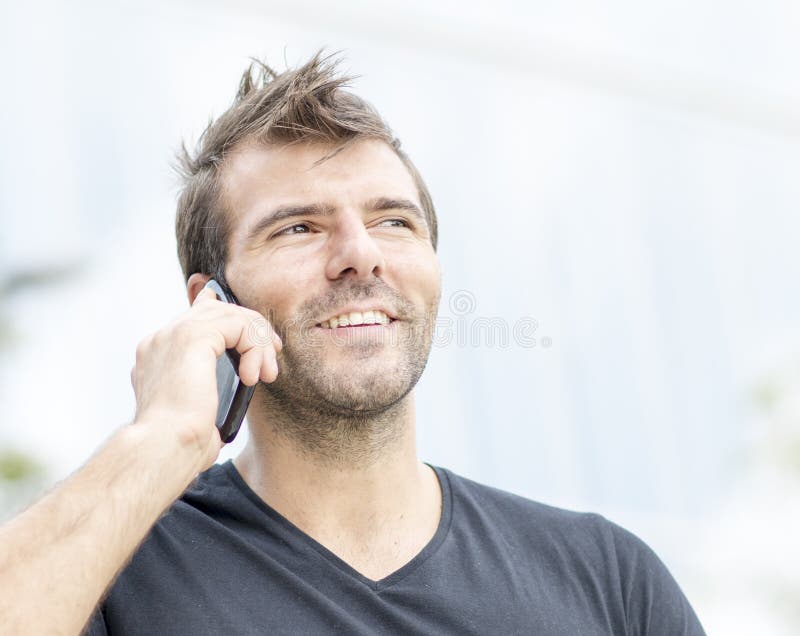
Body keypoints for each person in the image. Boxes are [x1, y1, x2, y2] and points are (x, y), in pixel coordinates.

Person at [0, 52, 705, 635]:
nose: (360, 255)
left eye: (394, 222)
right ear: (212, 303)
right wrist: (164, 436)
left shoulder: (608, 582)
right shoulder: (109, 571)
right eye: (299, 228)